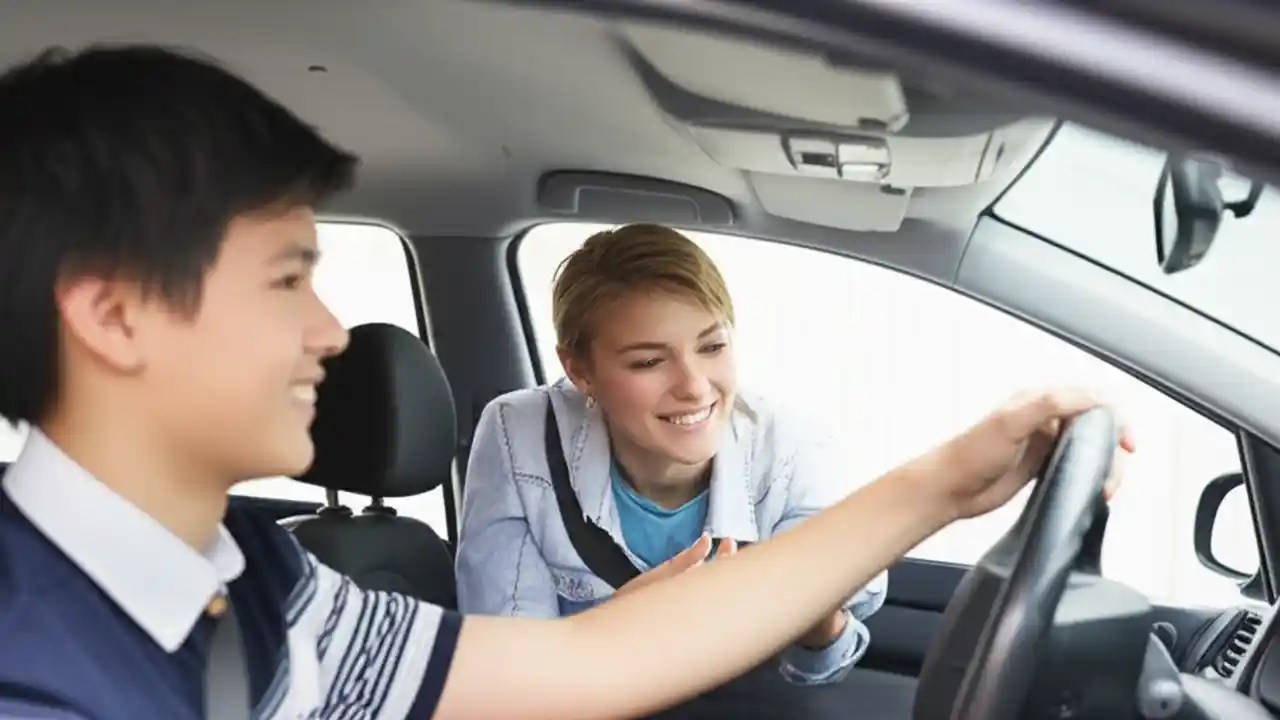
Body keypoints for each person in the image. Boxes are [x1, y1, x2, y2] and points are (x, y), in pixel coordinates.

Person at [0, 44, 1132, 720]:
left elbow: (582, 665)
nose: (331, 330)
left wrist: (950, 476)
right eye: (287, 279)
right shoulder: (32, 670)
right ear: (114, 314)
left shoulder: (262, 586)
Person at [456, 224, 888, 686]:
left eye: (712, 346)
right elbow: (515, 677)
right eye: (648, 362)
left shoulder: (789, 450)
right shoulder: (519, 434)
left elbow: (820, 666)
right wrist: (616, 630)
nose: (695, 386)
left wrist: (817, 622)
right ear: (580, 370)